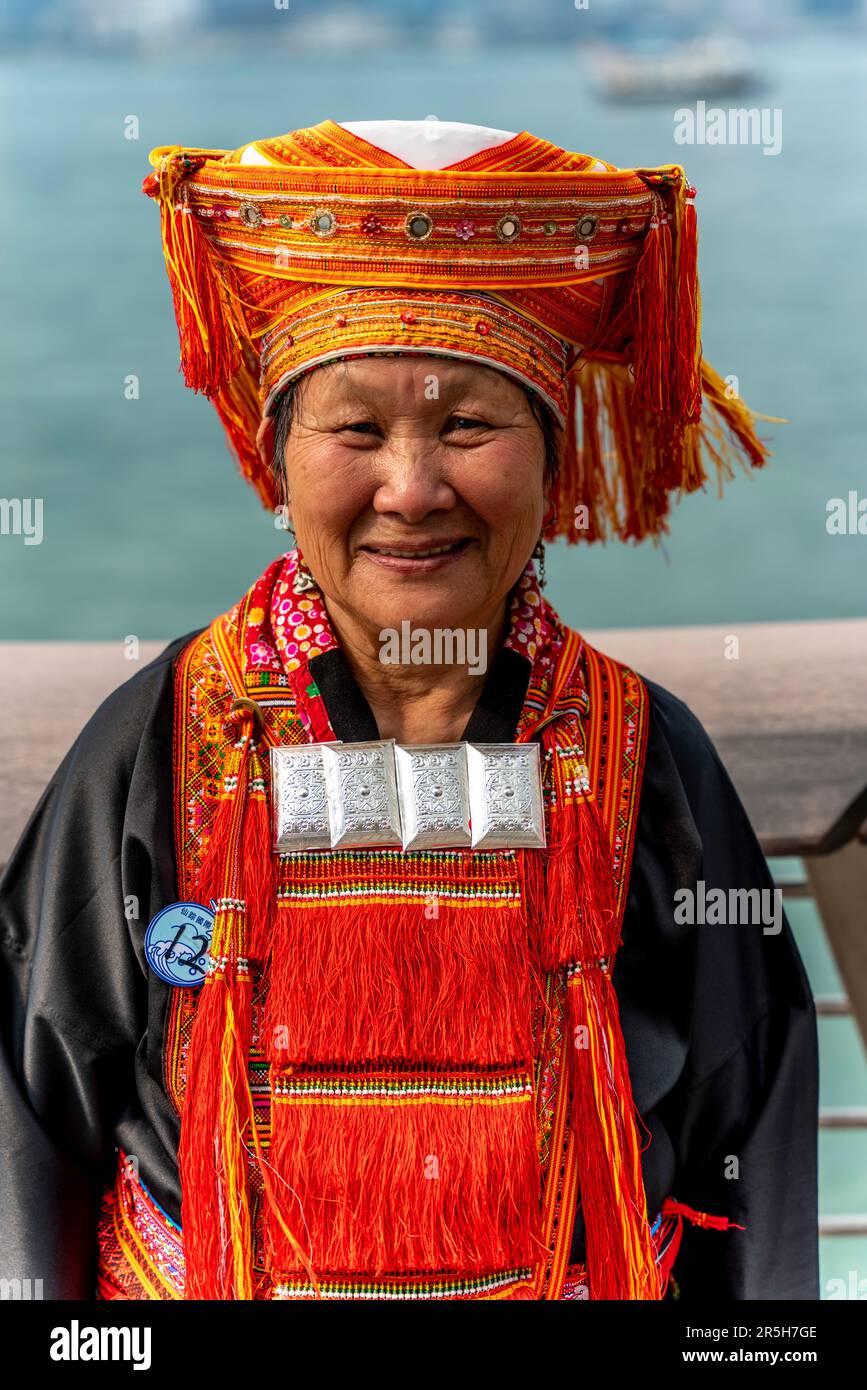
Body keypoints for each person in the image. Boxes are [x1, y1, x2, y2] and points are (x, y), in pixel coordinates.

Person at [0, 119, 817, 1301]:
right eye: (356, 429)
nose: (412, 489)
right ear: (277, 460)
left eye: (469, 426)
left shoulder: (645, 752)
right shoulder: (169, 735)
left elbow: (751, 1117)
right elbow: (36, 1115)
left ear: (554, 460)